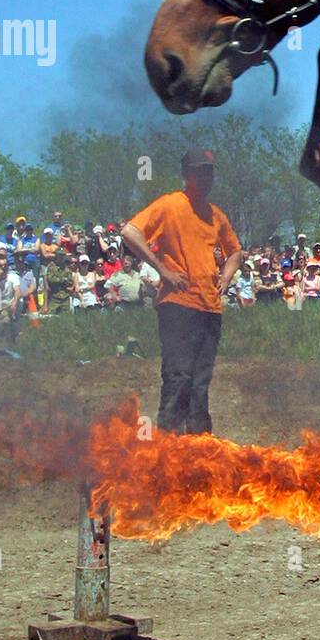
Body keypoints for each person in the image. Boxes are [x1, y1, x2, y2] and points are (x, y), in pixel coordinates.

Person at [121, 148, 242, 435]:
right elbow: (129, 231)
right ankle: (168, 447)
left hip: (210, 307)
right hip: (177, 304)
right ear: (187, 174)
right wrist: (162, 270)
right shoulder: (170, 204)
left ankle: (200, 446)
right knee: (179, 376)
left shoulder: (216, 215)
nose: (206, 177)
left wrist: (226, 276)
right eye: (200, 171)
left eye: (210, 171)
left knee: (201, 381)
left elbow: (236, 251)